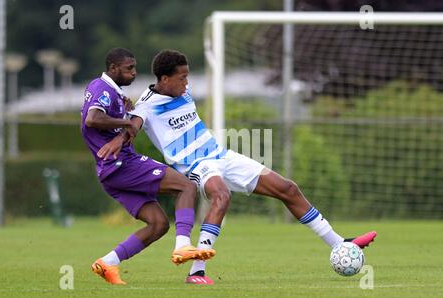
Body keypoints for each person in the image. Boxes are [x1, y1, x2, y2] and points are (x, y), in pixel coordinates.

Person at [97, 49, 377, 285]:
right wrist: (120, 140)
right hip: (195, 165)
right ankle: (197, 271)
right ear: (165, 78)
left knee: (287, 188)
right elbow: (133, 126)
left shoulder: (181, 91)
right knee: (221, 195)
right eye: (182, 77)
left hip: (221, 155)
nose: (186, 82)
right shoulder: (146, 106)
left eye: (188, 77)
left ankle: (341, 243)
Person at [80, 48, 214, 285]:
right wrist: (126, 121)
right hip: (121, 165)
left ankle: (107, 263)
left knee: (158, 224)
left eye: (134, 67)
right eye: (128, 68)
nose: (134, 72)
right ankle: (183, 246)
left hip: (110, 172)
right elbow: (93, 119)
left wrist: (125, 112)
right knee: (186, 187)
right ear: (113, 69)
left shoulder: (112, 92)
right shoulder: (102, 88)